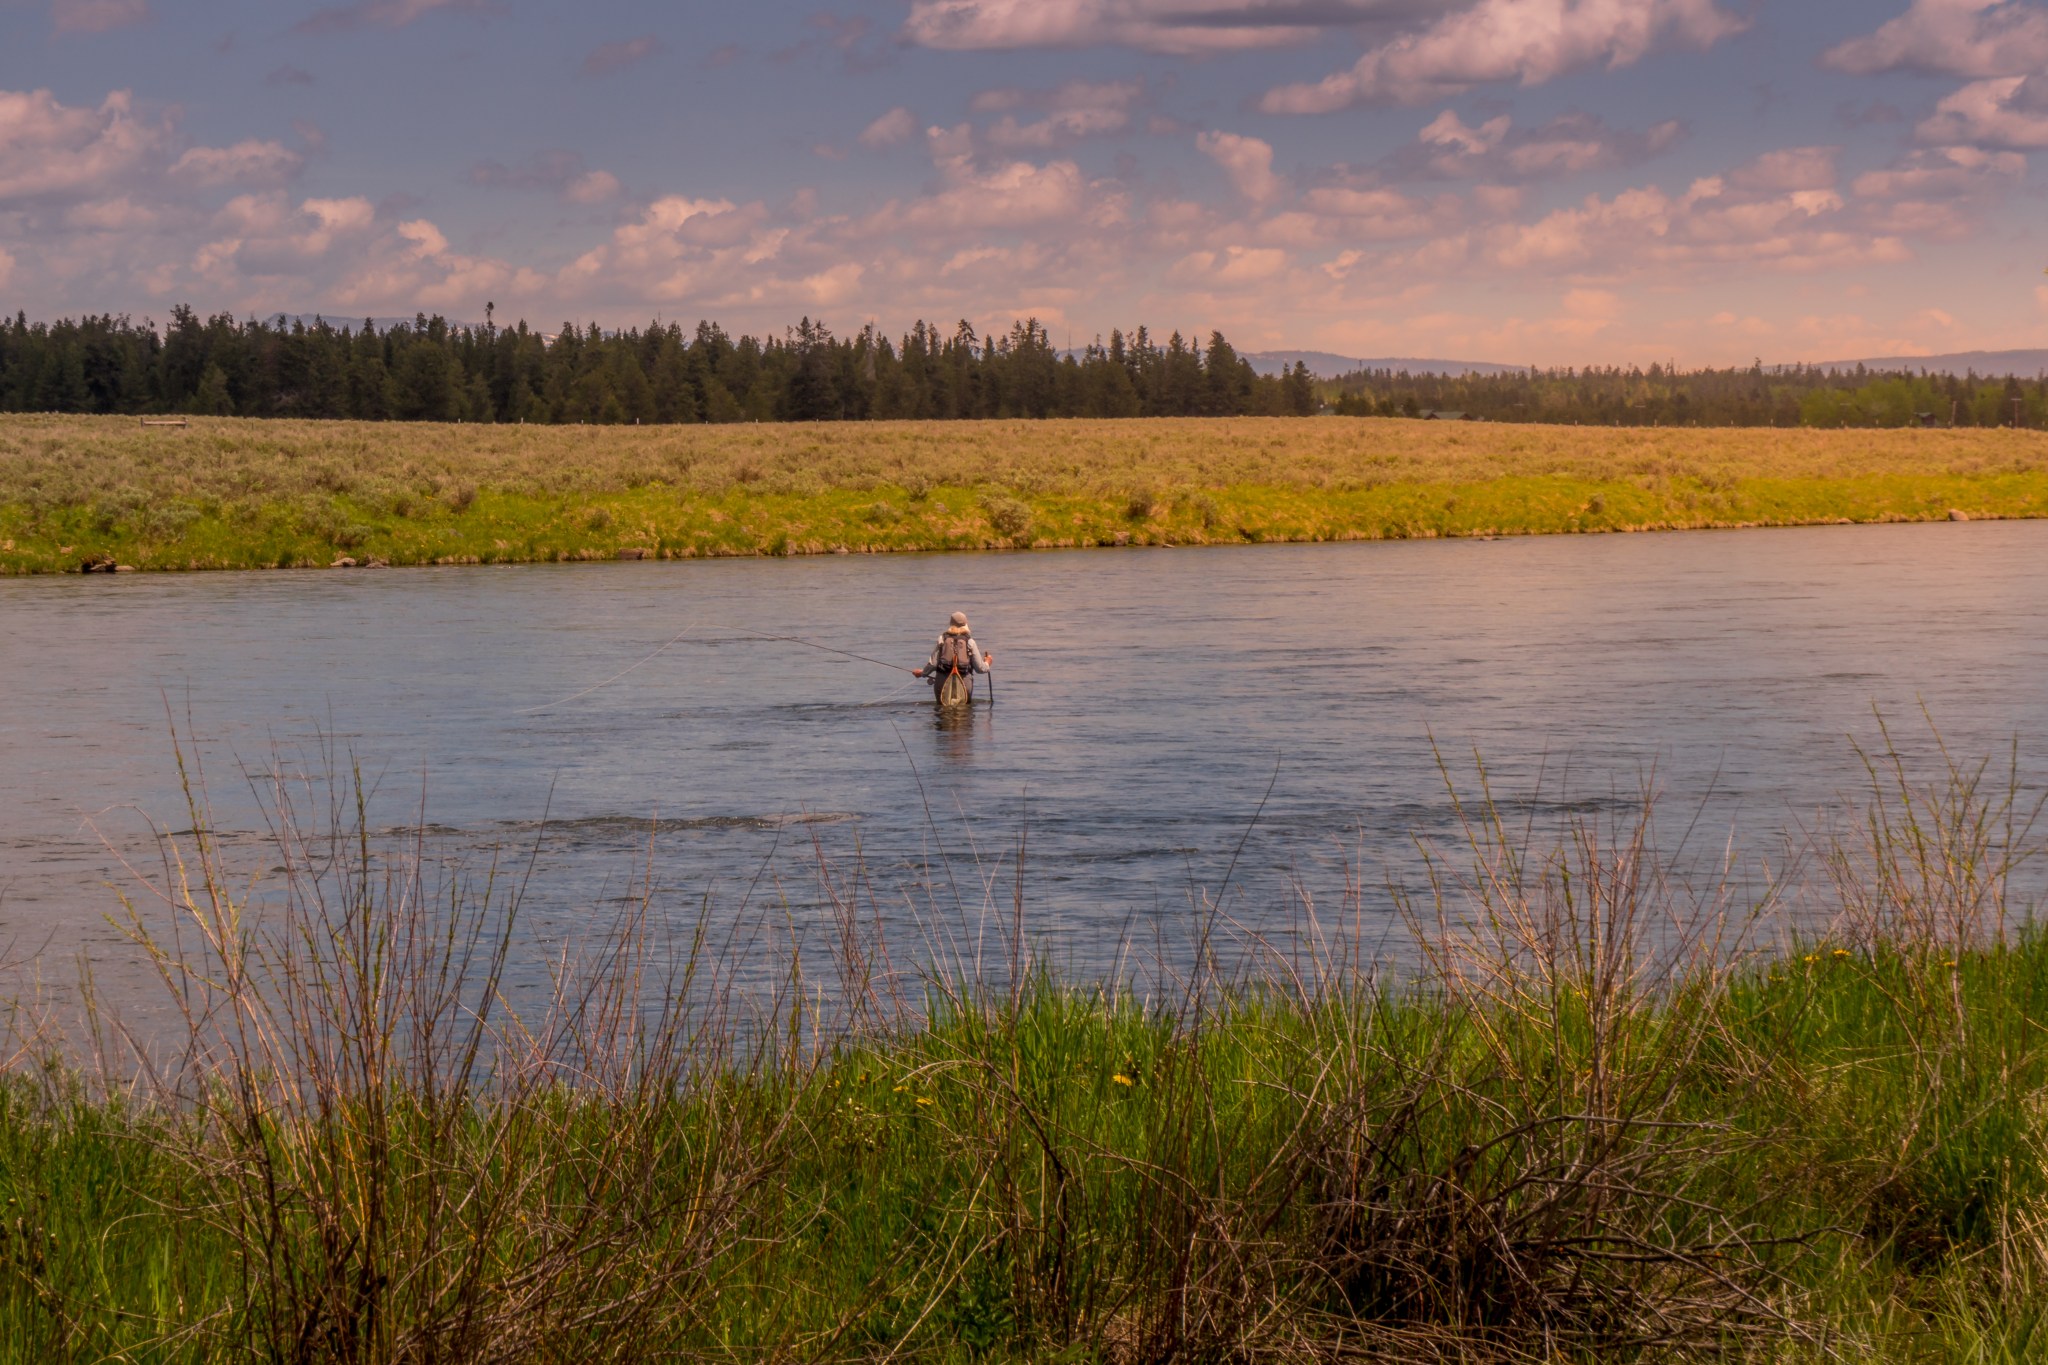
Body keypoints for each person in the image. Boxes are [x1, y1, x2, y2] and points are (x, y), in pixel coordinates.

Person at [913, 611, 993, 698]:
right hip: (965, 684)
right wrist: (988, 662)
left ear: (950, 624)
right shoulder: (970, 642)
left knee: (942, 711)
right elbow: (980, 669)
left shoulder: (942, 639)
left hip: (942, 683)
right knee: (965, 710)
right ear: (966, 624)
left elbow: (933, 664)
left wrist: (922, 673)